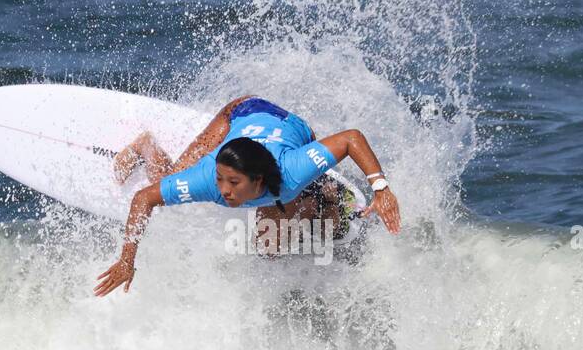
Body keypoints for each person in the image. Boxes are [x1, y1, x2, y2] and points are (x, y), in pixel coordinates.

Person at [95, 96, 401, 296]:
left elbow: (351, 139)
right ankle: (145, 146)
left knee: (275, 241)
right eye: (220, 180)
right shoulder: (206, 181)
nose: (224, 191)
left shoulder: (291, 170)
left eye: (233, 183)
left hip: (286, 126)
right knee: (169, 179)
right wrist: (126, 260)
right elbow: (144, 199)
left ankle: (321, 194)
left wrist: (381, 188)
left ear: (258, 181)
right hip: (239, 113)